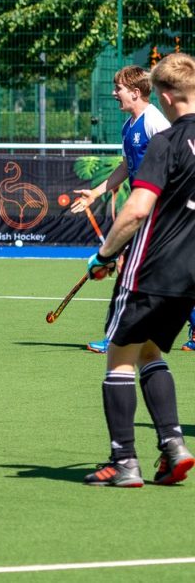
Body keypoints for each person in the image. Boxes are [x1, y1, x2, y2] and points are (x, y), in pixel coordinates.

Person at [81, 52, 195, 487]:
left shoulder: (164, 140)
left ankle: (124, 461)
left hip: (154, 266)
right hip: (190, 276)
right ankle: (173, 446)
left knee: (119, 358)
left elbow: (137, 209)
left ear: (164, 96)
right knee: (151, 352)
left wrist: (105, 256)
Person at [70, 65, 179, 354]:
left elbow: (177, 161)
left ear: (135, 92)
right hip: (147, 208)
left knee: (129, 269)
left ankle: (119, 337)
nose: (114, 93)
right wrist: (95, 193)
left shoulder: (156, 122)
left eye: (118, 88)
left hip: (159, 210)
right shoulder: (128, 126)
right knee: (162, 273)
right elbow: (125, 167)